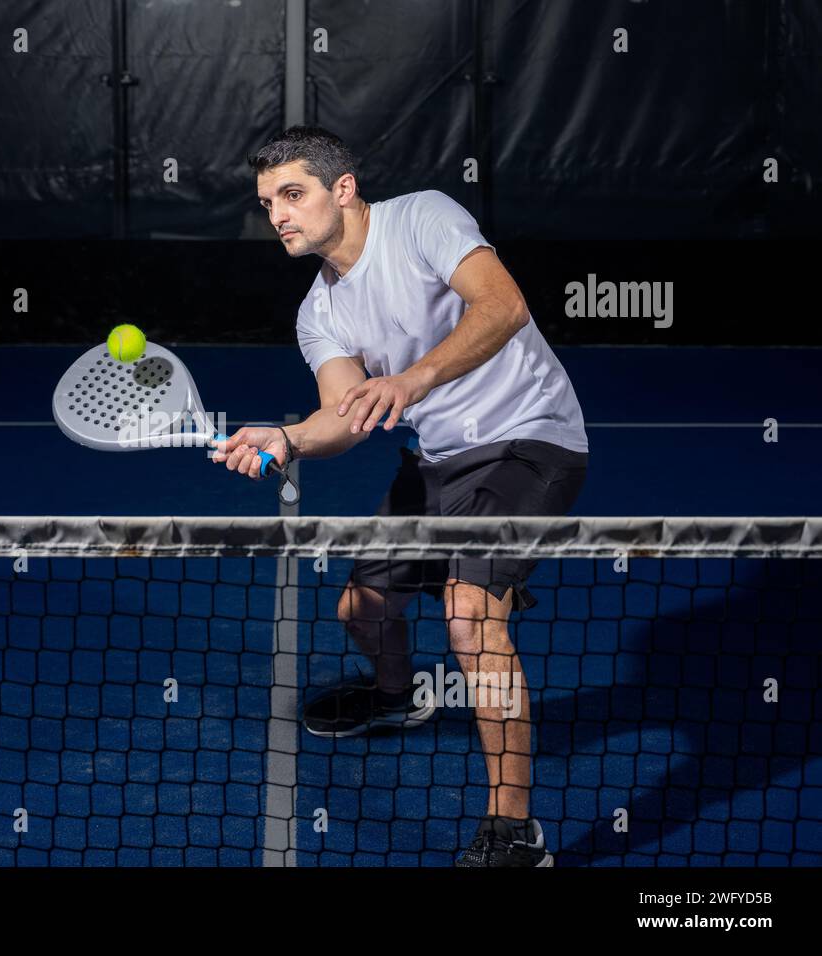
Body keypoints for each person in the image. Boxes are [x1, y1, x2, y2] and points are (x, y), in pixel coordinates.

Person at [213, 126, 589, 867]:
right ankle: (395, 697)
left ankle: (516, 831)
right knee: (362, 608)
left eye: (294, 194)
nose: (278, 215)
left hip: (530, 436)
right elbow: (343, 417)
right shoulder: (318, 313)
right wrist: (287, 439)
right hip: (439, 460)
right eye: (267, 203)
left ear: (343, 189)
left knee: (470, 618)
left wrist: (413, 380)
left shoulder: (421, 218)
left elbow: (504, 306)